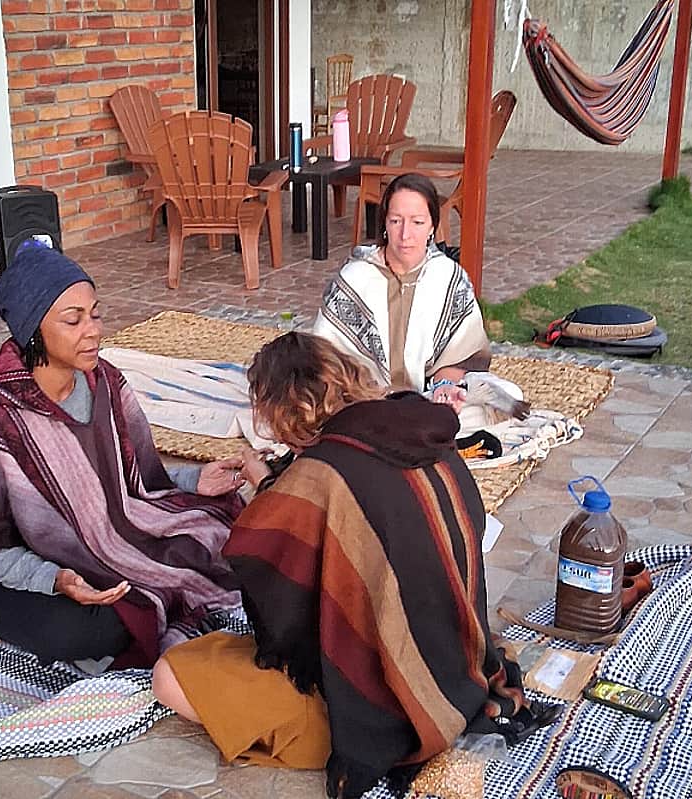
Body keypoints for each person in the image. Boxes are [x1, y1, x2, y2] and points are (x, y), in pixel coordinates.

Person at [151, 332, 541, 799]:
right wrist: (283, 479)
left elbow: (273, 590)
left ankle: (359, 728)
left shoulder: (320, 474)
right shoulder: (424, 429)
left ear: (279, 409)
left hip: (386, 702)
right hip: (462, 659)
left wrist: (268, 488)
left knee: (171, 676)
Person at [0, 240, 248, 669]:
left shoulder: (106, 381)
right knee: (91, 629)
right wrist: (55, 579)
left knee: (223, 530)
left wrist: (195, 482)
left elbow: (136, 479)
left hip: (108, 544)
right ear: (33, 330)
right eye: (73, 320)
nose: (94, 330)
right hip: (14, 564)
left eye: (95, 314)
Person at [312, 172, 506, 417]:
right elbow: (323, 357)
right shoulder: (354, 276)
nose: (405, 235)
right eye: (396, 221)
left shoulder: (448, 277)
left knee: (502, 397)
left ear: (432, 225)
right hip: (360, 402)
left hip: (426, 400)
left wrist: (444, 388)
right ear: (384, 224)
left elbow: (461, 356)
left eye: (417, 222)